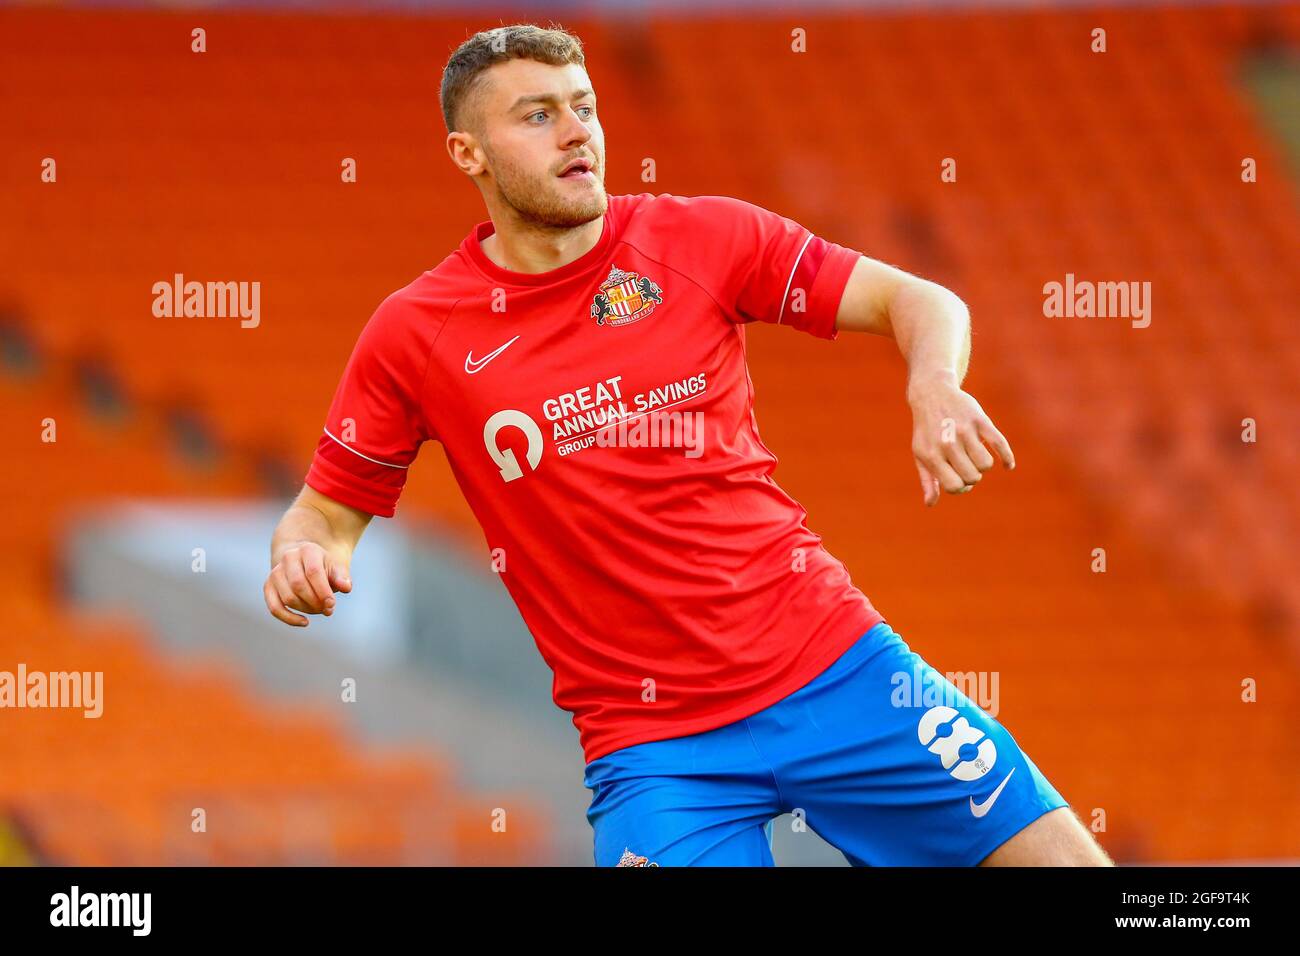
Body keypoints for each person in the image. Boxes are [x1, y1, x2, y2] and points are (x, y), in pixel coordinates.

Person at [264, 23, 1111, 867]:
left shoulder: (703, 237)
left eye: (584, 107)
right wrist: (303, 555)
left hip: (838, 670)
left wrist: (932, 385)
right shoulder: (416, 333)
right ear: (468, 153)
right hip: (658, 747)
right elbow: (325, 516)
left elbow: (921, 300)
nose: (576, 132)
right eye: (537, 115)